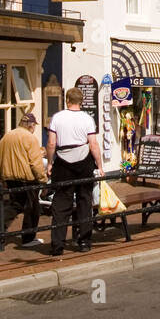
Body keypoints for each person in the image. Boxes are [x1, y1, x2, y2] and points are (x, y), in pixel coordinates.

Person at [46, 87, 104, 255]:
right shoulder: (87, 119)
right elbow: (93, 144)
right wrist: (99, 166)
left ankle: (57, 245)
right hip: (84, 160)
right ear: (81, 102)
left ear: (67, 100)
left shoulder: (57, 117)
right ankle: (84, 242)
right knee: (84, 202)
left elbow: (51, 143)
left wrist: (50, 163)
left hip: (63, 161)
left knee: (61, 204)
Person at [0, 111, 48, 248]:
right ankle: (28, 238)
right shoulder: (30, 138)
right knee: (33, 208)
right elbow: (36, 163)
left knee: (15, 205)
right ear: (31, 125)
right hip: (27, 179)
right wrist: (43, 179)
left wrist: (0, 177)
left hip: (10, 178)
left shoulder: (7, 136)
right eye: (34, 125)